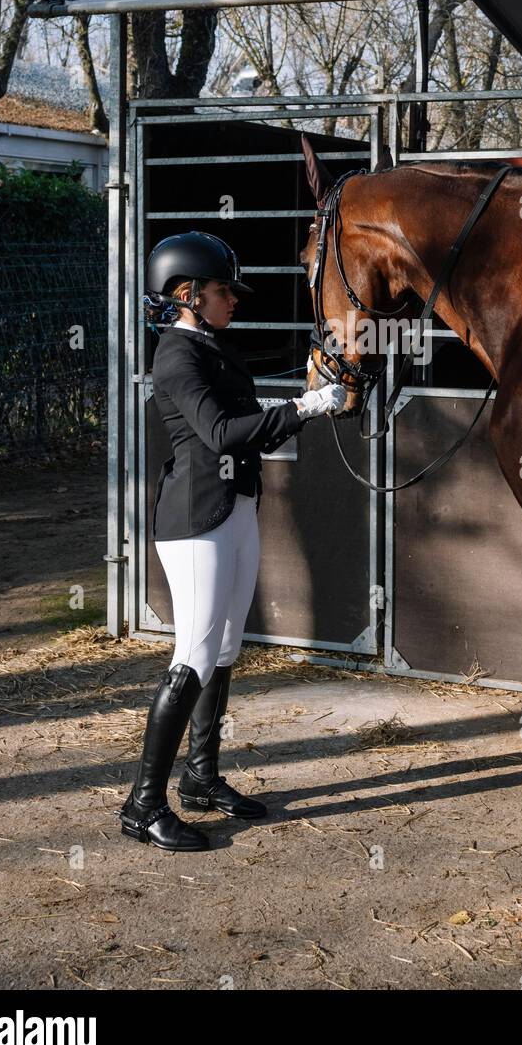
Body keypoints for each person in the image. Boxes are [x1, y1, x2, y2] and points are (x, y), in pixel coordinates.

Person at [120, 230, 346, 852]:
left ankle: (200, 776)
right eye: (224, 291)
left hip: (235, 507)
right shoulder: (177, 354)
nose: (234, 300)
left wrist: (314, 398)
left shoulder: (213, 347)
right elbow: (220, 432)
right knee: (192, 655)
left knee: (223, 648)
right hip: (196, 519)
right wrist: (307, 407)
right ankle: (142, 805)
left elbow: (249, 430)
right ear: (188, 293)